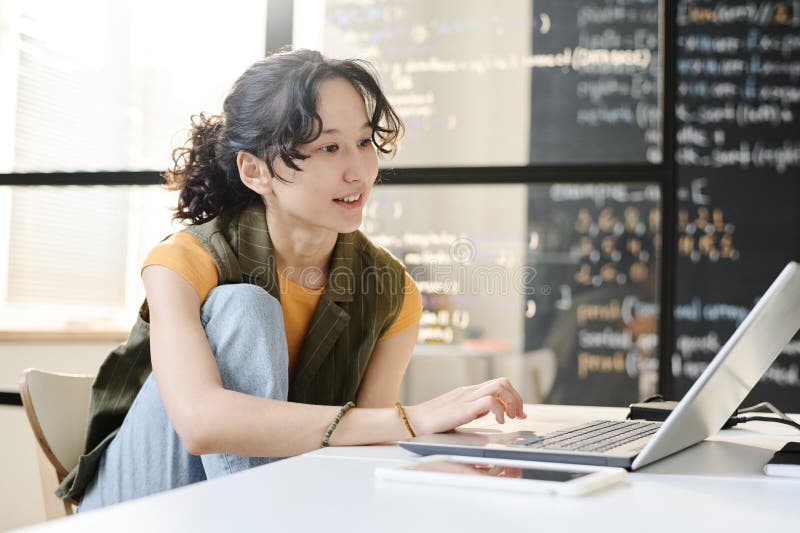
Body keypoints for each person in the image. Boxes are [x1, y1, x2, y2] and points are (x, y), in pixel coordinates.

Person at [63, 49, 525, 511]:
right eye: (329, 147)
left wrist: (438, 457)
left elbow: (365, 445)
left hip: (252, 505)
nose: (359, 170)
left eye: (364, 142)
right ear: (255, 170)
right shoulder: (183, 261)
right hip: (136, 503)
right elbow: (201, 422)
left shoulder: (389, 290)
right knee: (245, 306)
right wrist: (411, 420)